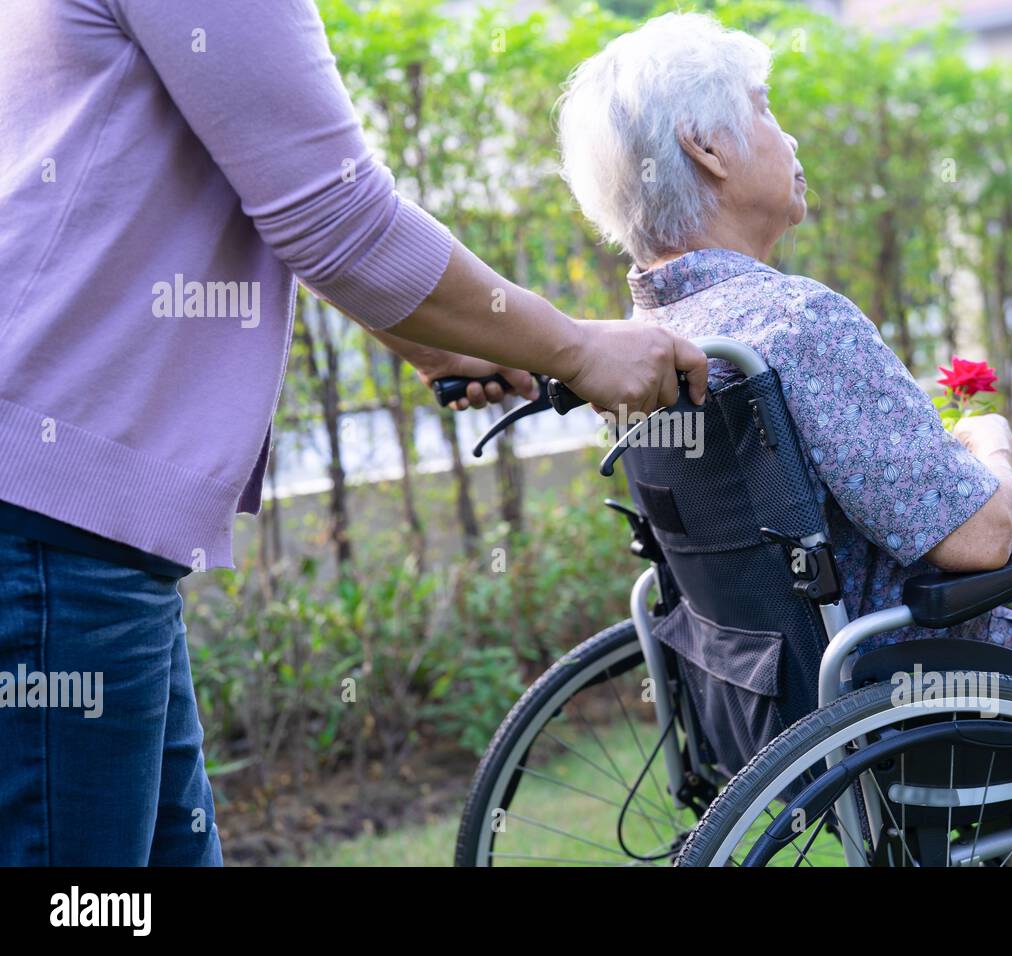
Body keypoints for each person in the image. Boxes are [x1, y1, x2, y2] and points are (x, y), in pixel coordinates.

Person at [555, 11, 1012, 864]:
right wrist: (992, 447)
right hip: (933, 679)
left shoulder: (650, 342)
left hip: (768, 692)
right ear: (708, 150)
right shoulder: (793, 321)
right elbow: (979, 540)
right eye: (765, 110)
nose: (789, 136)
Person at [0, 0, 708, 866]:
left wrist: (431, 340)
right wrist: (582, 347)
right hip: (46, 531)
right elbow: (336, 220)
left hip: (72, 532)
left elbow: (260, 188)